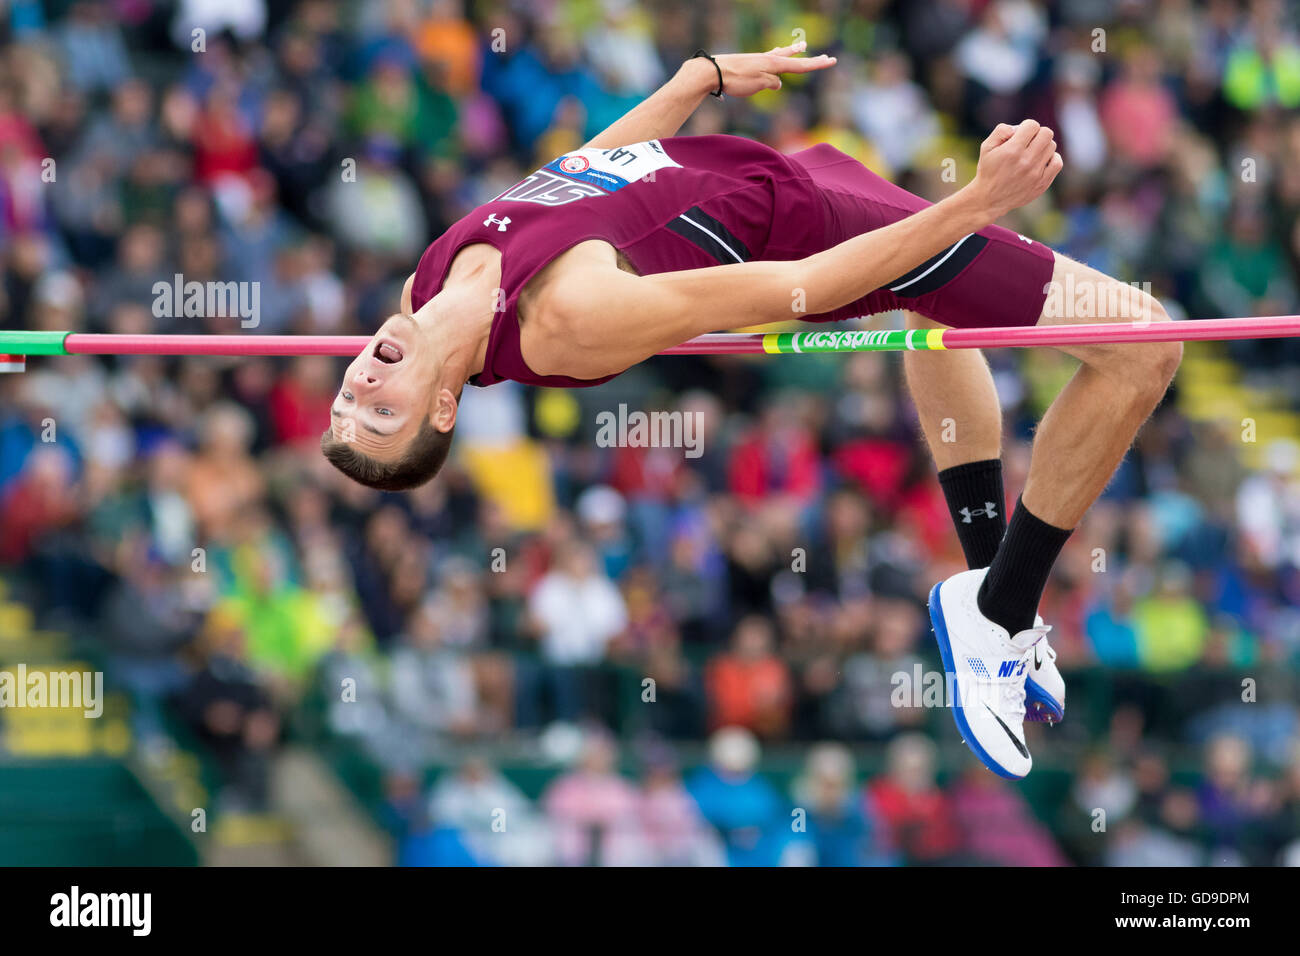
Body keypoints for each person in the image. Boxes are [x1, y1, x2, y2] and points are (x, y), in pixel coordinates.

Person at [322, 44, 1181, 779]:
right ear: (442, 406)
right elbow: (792, 287)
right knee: (1145, 347)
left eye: (347, 405)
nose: (359, 392)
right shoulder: (563, 325)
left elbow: (575, 177)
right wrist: (975, 206)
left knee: (941, 308)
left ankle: (992, 595)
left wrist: (699, 78)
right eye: (381, 418)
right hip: (819, 227)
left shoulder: (424, 285)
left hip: (794, 171)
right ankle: (1002, 609)